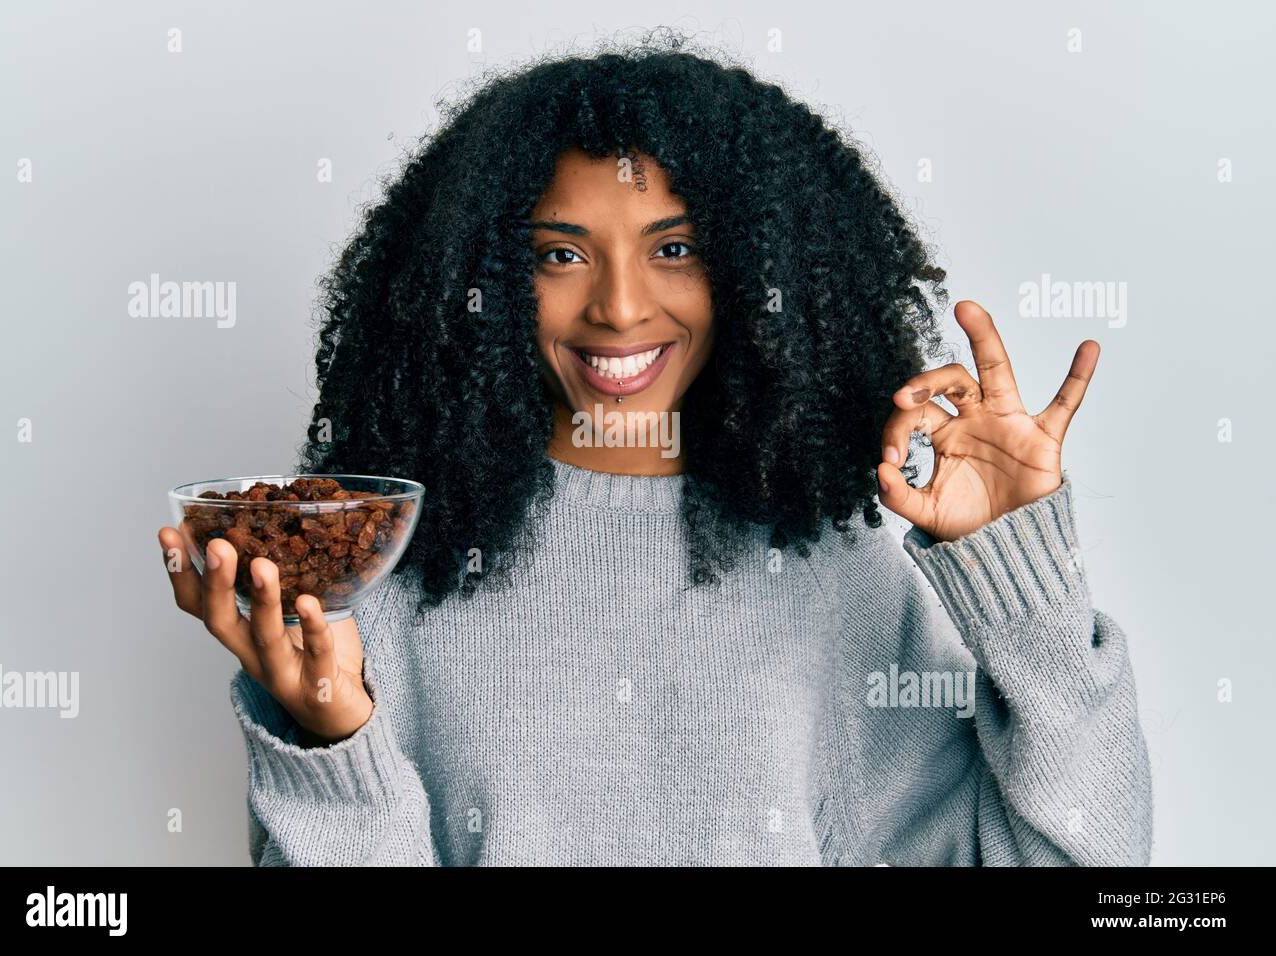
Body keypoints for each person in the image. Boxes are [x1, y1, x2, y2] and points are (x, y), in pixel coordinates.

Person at [157, 36, 1153, 866]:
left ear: (758, 269)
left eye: (674, 249)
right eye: (559, 253)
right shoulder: (387, 580)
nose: (620, 306)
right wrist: (331, 744)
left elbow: (1079, 862)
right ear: (487, 275)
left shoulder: (835, 579)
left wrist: (1026, 581)